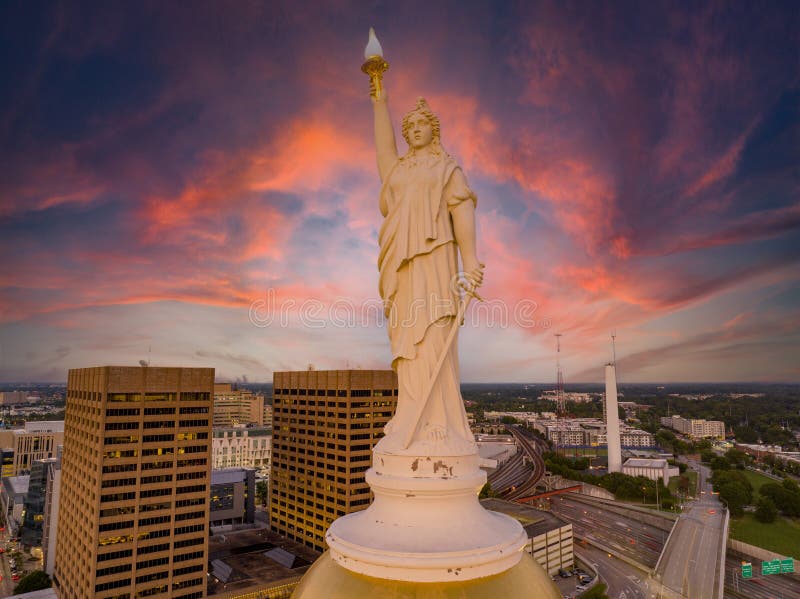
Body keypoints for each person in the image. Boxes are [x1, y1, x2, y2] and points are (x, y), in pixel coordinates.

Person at [370, 86, 484, 454]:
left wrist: (471, 262)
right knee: (406, 343)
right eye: (410, 126)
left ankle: (439, 419)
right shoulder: (398, 169)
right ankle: (409, 414)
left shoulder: (446, 168)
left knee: (433, 332)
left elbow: (462, 210)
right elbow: (383, 147)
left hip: (436, 259)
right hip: (400, 264)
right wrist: (379, 99)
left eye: (422, 124)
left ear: (434, 130)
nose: (415, 129)